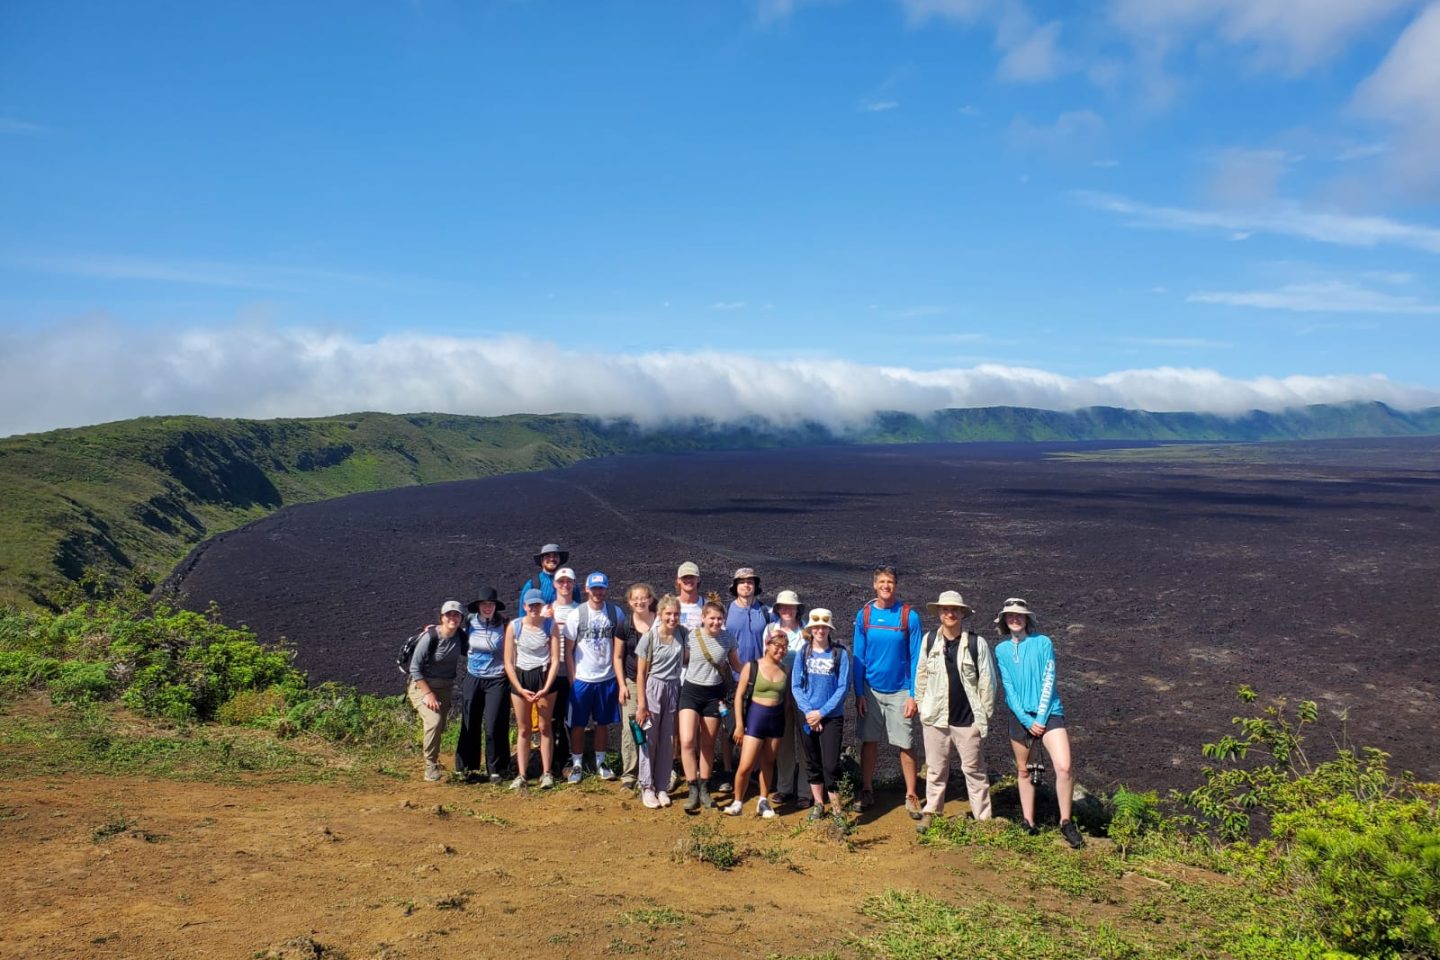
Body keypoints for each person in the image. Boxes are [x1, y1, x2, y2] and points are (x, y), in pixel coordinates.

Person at [992, 598, 1084, 849]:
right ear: (1004, 620)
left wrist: (1040, 719)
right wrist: (1025, 719)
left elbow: (1049, 679)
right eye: (1010, 615)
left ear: (1027, 618)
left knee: (1064, 766)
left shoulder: (1043, 642)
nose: (1015, 619)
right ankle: (1028, 821)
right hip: (1020, 716)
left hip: (1049, 713)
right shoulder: (1001, 650)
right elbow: (1008, 687)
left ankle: (1066, 821)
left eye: (1019, 615)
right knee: (1024, 770)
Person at [914, 591, 995, 832]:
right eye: (945, 609)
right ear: (939, 613)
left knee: (974, 770)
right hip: (935, 718)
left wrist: (983, 718)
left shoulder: (976, 643)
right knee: (935, 768)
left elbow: (988, 683)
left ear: (962, 613)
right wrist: (922, 707)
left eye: (954, 610)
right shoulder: (929, 641)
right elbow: (921, 676)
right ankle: (932, 811)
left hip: (968, 720)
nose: (950, 613)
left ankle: (983, 819)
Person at [853, 565, 925, 816]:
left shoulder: (908, 616)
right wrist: (859, 693)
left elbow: (917, 658)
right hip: (871, 690)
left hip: (901, 692)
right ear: (874, 584)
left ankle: (911, 794)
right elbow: (858, 656)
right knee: (869, 741)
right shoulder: (864, 615)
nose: (886, 586)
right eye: (882, 581)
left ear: (896, 585)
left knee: (906, 743)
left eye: (890, 582)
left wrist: (914, 695)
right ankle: (866, 789)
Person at [677, 599, 742, 812]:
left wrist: (758, 671)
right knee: (687, 740)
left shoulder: (728, 638)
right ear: (703, 618)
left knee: (707, 744)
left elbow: (736, 665)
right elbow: (681, 659)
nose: (715, 622)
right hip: (691, 692)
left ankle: (704, 788)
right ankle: (692, 788)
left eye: (719, 619)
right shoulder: (692, 636)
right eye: (712, 618)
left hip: (714, 695)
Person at [564, 572, 626, 783]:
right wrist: (572, 678)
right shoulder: (577, 615)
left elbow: (620, 646)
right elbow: (568, 649)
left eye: (601, 588)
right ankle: (577, 764)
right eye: (594, 588)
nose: (598, 592)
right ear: (586, 589)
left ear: (606, 589)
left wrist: (618, 678)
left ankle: (601, 762)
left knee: (602, 724)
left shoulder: (615, 613)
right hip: (583, 679)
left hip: (607, 679)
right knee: (578, 724)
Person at [723, 626, 790, 817]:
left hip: (776, 721)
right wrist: (739, 724)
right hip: (755, 720)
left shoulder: (786, 669)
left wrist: (783, 721)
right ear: (767, 645)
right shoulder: (752, 666)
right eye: (777, 645)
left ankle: (763, 801)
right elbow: (739, 696)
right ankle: (737, 802)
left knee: (768, 762)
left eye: (784, 647)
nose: (780, 650)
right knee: (746, 764)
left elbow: (786, 700)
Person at [791, 608, 851, 819]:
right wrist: (810, 712)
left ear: (829, 629)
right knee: (812, 760)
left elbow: (843, 687)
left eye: (824, 627)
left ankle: (837, 809)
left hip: (831, 716)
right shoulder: (803, 652)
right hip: (807, 716)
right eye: (816, 627)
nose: (820, 630)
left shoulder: (840, 654)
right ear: (811, 629)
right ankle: (818, 804)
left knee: (831, 764)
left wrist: (821, 713)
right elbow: (796, 685)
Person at [455, 585, 512, 784]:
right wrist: (433, 629)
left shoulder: (505, 624)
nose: (487, 608)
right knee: (470, 721)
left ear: (496, 606)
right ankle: (467, 767)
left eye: (491, 604)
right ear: (478, 606)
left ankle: (497, 768)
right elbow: (451, 631)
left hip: (497, 679)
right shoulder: (469, 622)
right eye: (484, 604)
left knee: (493, 724)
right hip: (473, 677)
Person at [634, 594, 687, 809]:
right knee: (649, 739)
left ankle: (662, 786)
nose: (672, 618)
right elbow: (640, 673)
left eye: (676, 614)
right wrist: (642, 705)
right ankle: (647, 787)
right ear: (660, 614)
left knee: (668, 739)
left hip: (674, 687)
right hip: (653, 688)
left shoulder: (683, 634)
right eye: (668, 614)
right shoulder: (649, 637)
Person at [504, 589, 561, 788]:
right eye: (531, 605)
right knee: (524, 728)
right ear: (525, 606)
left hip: (544, 679)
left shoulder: (551, 625)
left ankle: (547, 773)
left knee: (545, 727)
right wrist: (519, 688)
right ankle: (522, 775)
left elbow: (555, 660)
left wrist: (546, 687)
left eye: (538, 604)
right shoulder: (514, 626)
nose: (534, 608)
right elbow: (508, 662)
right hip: (521, 679)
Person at [407, 600, 468, 782]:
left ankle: (431, 756)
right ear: (441, 617)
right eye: (448, 615)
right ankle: (430, 766)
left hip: (445, 687)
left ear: (461, 618)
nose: (452, 618)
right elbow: (415, 668)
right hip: (422, 686)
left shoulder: (461, 637)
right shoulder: (430, 637)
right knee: (434, 721)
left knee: (440, 726)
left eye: (456, 615)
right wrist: (428, 694)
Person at [616, 582, 658, 795]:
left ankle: (656, 771)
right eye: (635, 599)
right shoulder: (625, 625)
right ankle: (630, 775)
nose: (640, 602)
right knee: (630, 728)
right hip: (632, 681)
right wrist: (622, 684)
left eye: (644, 598)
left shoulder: (660, 622)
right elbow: (618, 656)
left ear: (651, 599)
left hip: (657, 682)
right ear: (629, 602)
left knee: (656, 728)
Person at [768, 591, 810, 808]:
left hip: (803, 689)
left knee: (805, 740)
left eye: (791, 606)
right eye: (783, 606)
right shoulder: (770, 630)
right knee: (783, 739)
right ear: (777, 609)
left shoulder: (807, 631)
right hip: (780, 688)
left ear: (797, 609)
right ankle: (784, 787)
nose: (787, 610)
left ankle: (805, 790)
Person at [550, 566, 580, 767]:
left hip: (573, 671)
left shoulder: (580, 610)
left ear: (573, 584)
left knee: (571, 717)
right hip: (551, 672)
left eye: (568, 581)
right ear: (555, 584)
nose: (565, 585)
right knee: (553, 718)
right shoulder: (546, 610)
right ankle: (554, 759)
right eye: (561, 582)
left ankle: (571, 758)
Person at [518, 543, 568, 616]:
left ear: (559, 559)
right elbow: (522, 614)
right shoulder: (532, 584)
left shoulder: (569, 584)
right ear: (542, 560)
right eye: (547, 556)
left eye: (555, 556)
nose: (552, 559)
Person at [675, 561, 704, 634]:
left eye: (692, 577)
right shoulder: (669, 605)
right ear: (678, 580)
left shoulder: (708, 606)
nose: (688, 580)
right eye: (685, 577)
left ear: (698, 579)